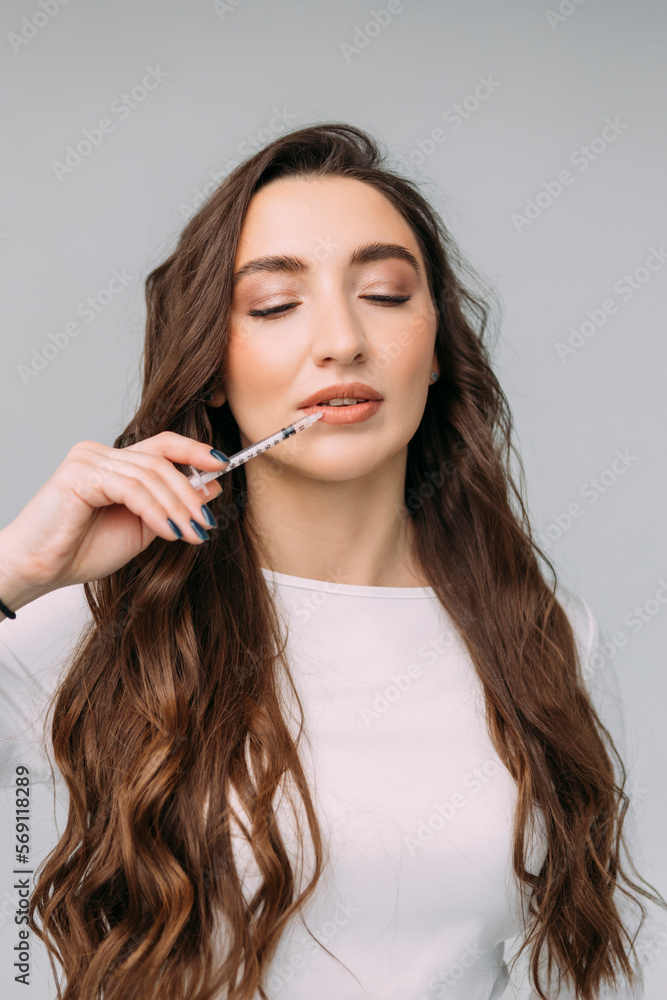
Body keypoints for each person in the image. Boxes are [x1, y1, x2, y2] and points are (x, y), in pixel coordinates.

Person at [0, 122, 664, 1000]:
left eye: (384, 294)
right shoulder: (81, 619)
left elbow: (590, 969)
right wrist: (14, 569)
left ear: (436, 348)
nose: (342, 340)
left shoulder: (544, 636)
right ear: (211, 367)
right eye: (275, 305)